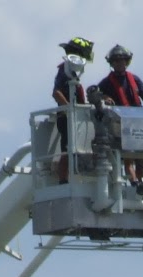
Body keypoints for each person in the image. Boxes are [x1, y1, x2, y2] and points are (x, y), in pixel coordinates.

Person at [94, 44, 143, 191]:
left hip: (139, 122)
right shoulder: (105, 83)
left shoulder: (134, 79)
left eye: (122, 60)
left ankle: (141, 180)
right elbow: (95, 98)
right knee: (128, 156)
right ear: (111, 63)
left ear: (127, 61)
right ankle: (133, 181)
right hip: (120, 123)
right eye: (117, 61)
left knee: (141, 157)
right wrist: (104, 97)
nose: (120, 63)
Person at [51, 37, 94, 183]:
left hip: (76, 118)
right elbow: (56, 92)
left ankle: (72, 176)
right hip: (67, 117)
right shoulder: (65, 70)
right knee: (67, 149)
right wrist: (70, 109)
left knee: (76, 147)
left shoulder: (72, 71)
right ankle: (63, 179)